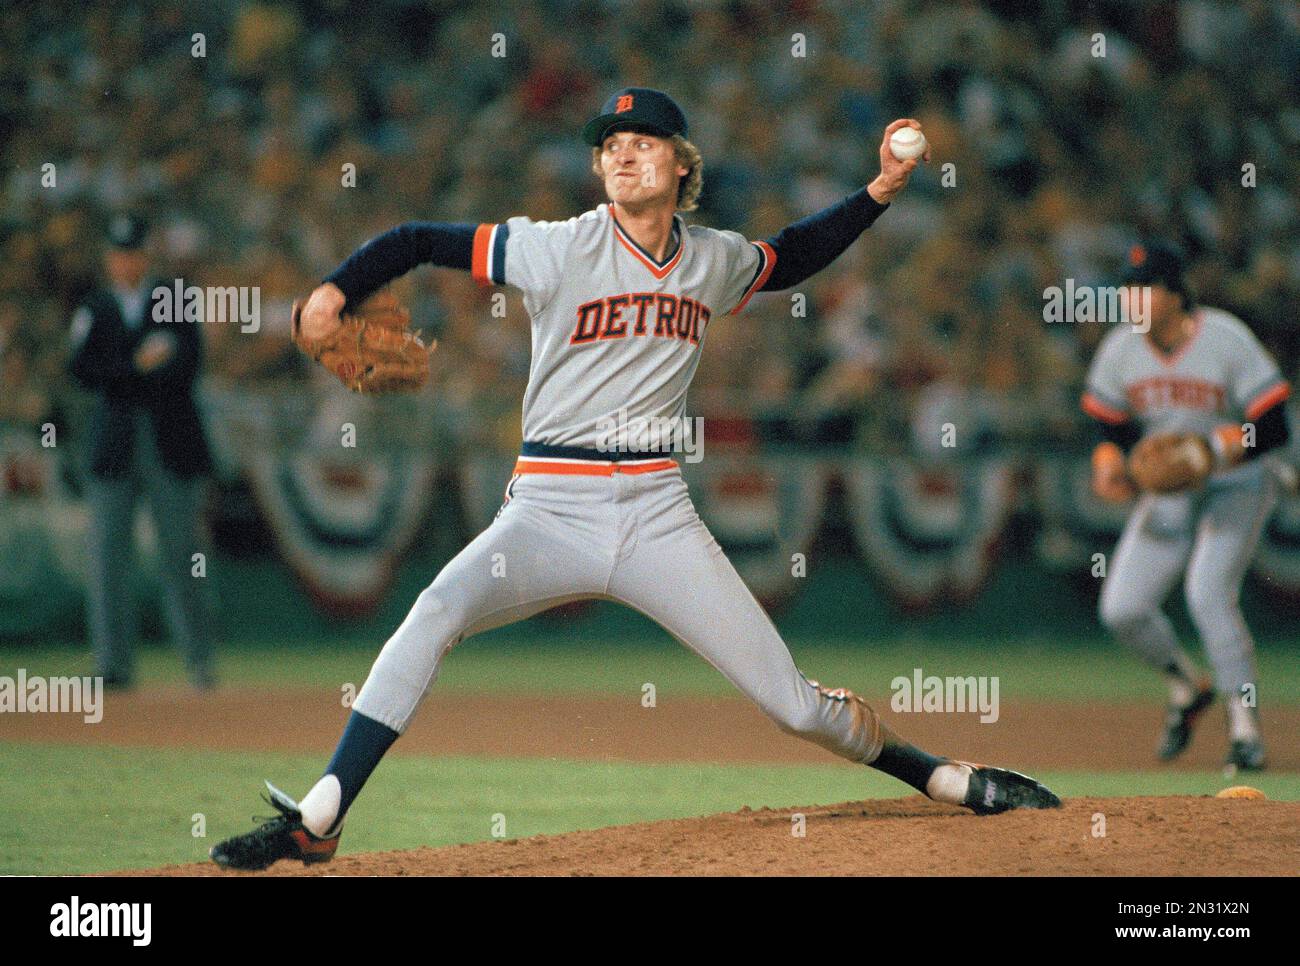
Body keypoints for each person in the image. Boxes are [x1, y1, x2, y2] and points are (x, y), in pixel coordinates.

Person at [211, 88, 1059, 870]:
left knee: (796, 708)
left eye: (642, 141)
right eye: (609, 144)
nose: (621, 155)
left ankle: (944, 777)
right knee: (435, 611)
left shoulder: (712, 260)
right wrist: (333, 290)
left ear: (682, 164)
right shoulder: (555, 248)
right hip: (548, 508)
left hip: (657, 514)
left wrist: (879, 188)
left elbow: (790, 257)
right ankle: (319, 819)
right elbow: (416, 241)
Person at [1084, 241, 1291, 770]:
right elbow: (1109, 422)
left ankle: (1245, 730)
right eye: (1128, 289)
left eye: (1145, 288)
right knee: (1122, 607)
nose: (1133, 299)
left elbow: (1272, 424)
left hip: (1239, 483)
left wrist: (1213, 451)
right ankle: (1185, 687)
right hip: (1174, 490)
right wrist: (1109, 460)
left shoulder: (1225, 338)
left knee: (1208, 593)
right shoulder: (1121, 348)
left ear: (1176, 295)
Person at [68, 214, 216, 690]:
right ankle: (112, 665)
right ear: (109, 259)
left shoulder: (175, 297)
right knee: (108, 559)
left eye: (132, 253)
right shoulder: (94, 305)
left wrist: (128, 369)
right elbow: (82, 371)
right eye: (119, 254)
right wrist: (137, 365)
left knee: (181, 556)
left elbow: (189, 364)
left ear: (143, 256)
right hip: (114, 447)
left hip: (169, 444)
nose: (126, 263)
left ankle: (197, 661)